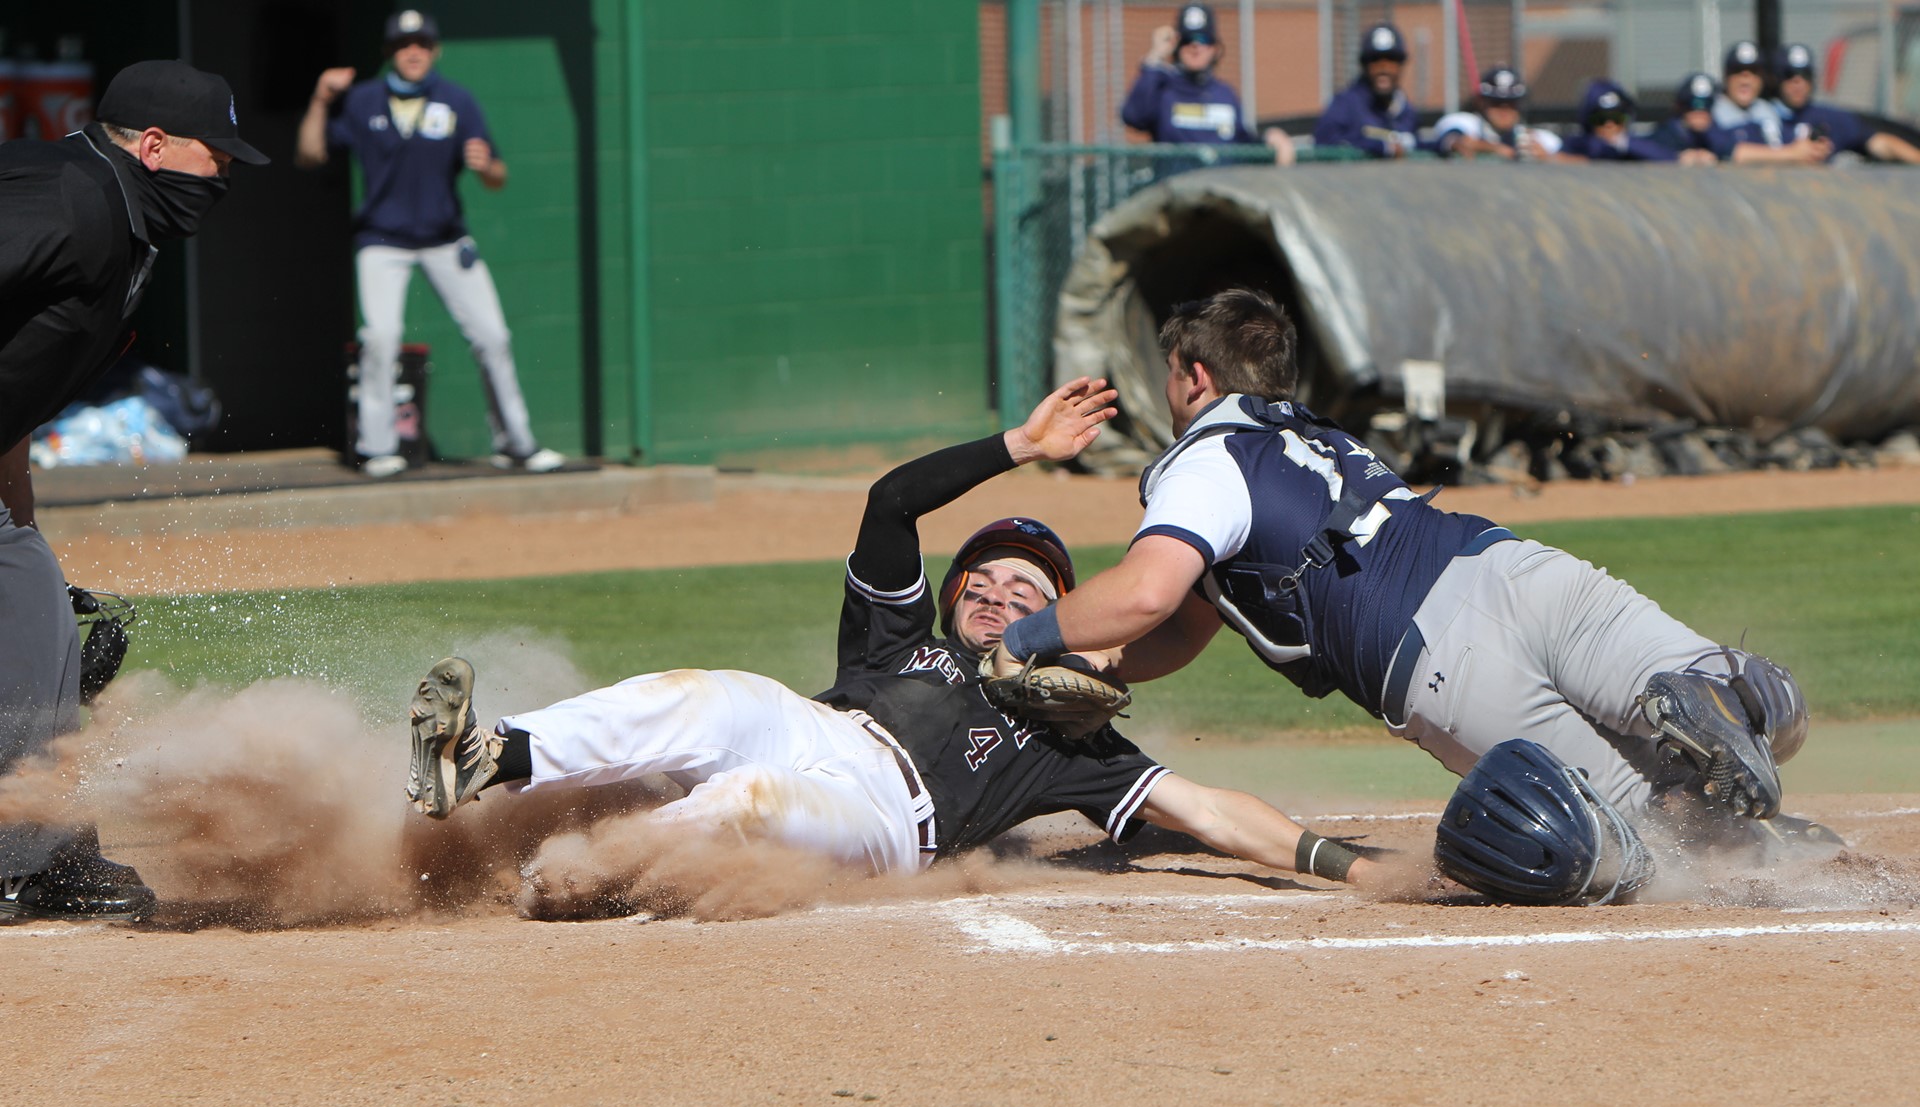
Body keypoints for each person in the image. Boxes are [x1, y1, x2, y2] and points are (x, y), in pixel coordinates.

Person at [986, 290, 1834, 903]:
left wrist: (1023, 641)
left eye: (1172, 375)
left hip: (1443, 663)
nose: (1169, 393)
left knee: (1650, 838)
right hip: (1515, 568)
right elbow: (1186, 625)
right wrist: (1110, 667)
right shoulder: (1317, 438)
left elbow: (1144, 591)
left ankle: (1730, 843)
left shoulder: (1205, 461)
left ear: (1198, 378)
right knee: (1722, 691)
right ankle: (1741, 715)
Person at [406, 378, 1395, 897]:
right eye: (987, 577)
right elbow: (890, 502)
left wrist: (1347, 862)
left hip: (885, 817)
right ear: (954, 592)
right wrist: (1020, 447)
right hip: (814, 723)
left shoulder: (1068, 739)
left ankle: (576, 870)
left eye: (1030, 587)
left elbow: (1213, 811)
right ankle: (495, 755)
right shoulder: (894, 639)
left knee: (750, 798)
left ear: (1059, 614)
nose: (1004, 591)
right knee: (713, 693)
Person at [0, 60, 268, 922]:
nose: (223, 174)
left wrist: (19, 516)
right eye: (213, 156)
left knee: (37, 617)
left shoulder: (114, 218)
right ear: (152, 146)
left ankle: (36, 846)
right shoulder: (76, 204)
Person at [296, 9, 564, 479]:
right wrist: (320, 100)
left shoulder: (457, 100)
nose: (413, 52)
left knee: (493, 336)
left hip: (446, 238)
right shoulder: (362, 101)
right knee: (380, 337)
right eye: (403, 44)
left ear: (435, 50)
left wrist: (485, 167)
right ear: (389, 53)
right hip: (382, 240)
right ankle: (377, 449)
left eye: (421, 43)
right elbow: (309, 154)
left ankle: (517, 443)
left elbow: (498, 175)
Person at [1119, 4, 1294, 166]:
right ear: (1177, 46)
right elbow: (1133, 116)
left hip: (1220, 193)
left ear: (1215, 48)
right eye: (1187, 40)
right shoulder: (1164, 89)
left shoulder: (1225, 93)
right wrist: (1154, 59)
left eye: (1203, 39)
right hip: (1176, 193)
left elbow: (1242, 144)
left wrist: (1269, 139)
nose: (1196, 46)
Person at [1773, 42, 1920, 165]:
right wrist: (1792, 153)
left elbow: (1880, 143)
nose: (1798, 84)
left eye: (1805, 75)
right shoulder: (1764, 116)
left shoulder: (1829, 118)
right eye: (1789, 75)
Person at [1312, 24, 1420, 159]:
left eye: (1391, 60)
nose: (1384, 69)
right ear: (1364, 65)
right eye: (1375, 60)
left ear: (1400, 66)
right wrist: (1379, 146)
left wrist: (1448, 140)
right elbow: (1323, 142)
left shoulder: (1405, 109)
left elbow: (1417, 144)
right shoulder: (1345, 104)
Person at [1715, 41, 1831, 166]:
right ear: (1726, 76)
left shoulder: (1766, 110)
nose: (1745, 81)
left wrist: (1813, 149)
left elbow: (1785, 142)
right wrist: (1792, 152)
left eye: (1754, 72)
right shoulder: (1712, 111)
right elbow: (1728, 151)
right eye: (1737, 71)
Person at [1433, 66, 1568, 162]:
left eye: (1511, 103)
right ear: (1482, 103)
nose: (1504, 109)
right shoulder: (1466, 123)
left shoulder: (1536, 138)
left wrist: (1548, 158)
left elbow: (1582, 160)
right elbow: (1452, 140)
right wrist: (1493, 149)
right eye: (1496, 102)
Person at [1566, 80, 1676, 162]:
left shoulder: (1633, 147)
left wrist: (1623, 144)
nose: (1610, 125)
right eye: (1601, 119)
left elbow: (1669, 158)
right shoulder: (1577, 145)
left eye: (1617, 118)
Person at [1650, 74, 1736, 166]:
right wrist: (1675, 157)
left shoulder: (1715, 133)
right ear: (1680, 107)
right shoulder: (1667, 134)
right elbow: (1638, 146)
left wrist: (1716, 157)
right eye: (1694, 103)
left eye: (1707, 104)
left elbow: (1737, 148)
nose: (1700, 110)